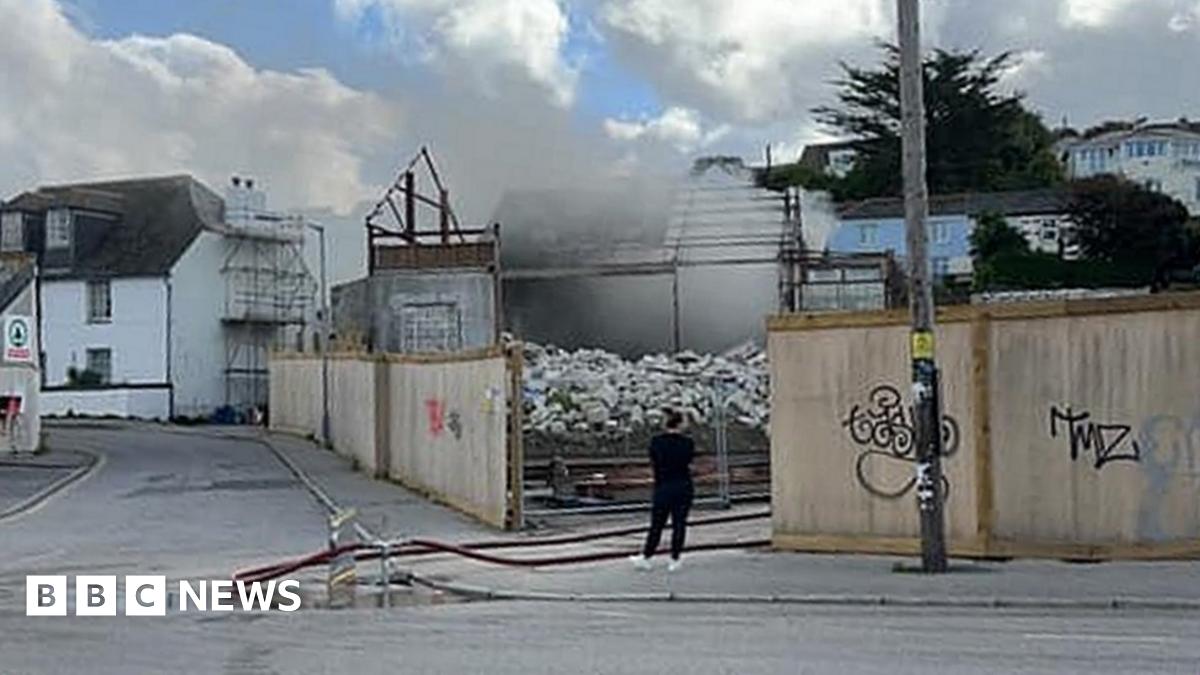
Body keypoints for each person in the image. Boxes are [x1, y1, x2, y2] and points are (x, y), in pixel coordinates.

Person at [631, 408, 695, 573]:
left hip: (663, 485)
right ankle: (675, 559)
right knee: (679, 524)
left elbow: (654, 460)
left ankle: (647, 556)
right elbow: (689, 460)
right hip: (683, 485)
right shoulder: (687, 443)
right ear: (680, 424)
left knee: (657, 524)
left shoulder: (656, 442)